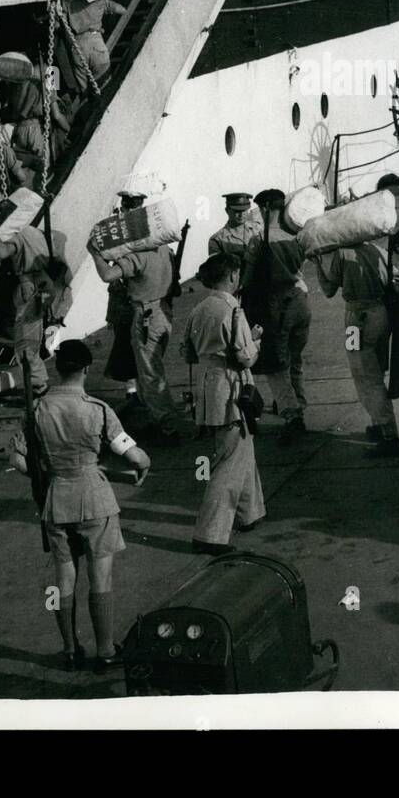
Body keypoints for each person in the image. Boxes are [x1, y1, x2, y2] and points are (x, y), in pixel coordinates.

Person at [9, 339, 149, 672]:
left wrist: (45, 475)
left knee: (63, 579)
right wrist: (144, 464)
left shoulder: (37, 409)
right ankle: (105, 650)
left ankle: (70, 649)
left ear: (58, 368)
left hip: (57, 500)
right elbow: (133, 454)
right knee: (101, 579)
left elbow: (16, 459)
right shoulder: (97, 409)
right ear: (87, 369)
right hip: (96, 500)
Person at [86, 179, 185, 439]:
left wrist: (95, 253)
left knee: (151, 376)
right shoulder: (163, 248)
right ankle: (156, 417)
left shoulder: (136, 255)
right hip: (163, 312)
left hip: (145, 316)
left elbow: (108, 275)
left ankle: (169, 426)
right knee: (149, 371)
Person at [183, 252, 266, 555]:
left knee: (242, 449)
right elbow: (245, 356)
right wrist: (255, 340)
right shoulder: (233, 311)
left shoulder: (198, 309)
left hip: (207, 384)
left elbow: (187, 352)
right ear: (232, 275)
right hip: (231, 387)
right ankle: (210, 534)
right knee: (230, 460)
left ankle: (249, 513)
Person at [314, 240, 399, 458]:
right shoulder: (377, 249)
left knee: (363, 373)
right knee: (376, 369)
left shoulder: (342, 254)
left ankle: (388, 433)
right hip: (380, 313)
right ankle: (378, 423)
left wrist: (317, 262)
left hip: (356, 318)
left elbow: (328, 289)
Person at [239, 189, 311, 446]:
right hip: (301, 302)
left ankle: (292, 417)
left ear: (266, 209)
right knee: (295, 358)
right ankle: (298, 404)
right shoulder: (297, 235)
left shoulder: (259, 239)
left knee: (275, 365)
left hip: (276, 308)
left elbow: (246, 280)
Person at [0, 216, 72, 395]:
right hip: (48, 287)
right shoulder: (34, 232)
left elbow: (2, 253)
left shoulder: (17, 234)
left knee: (25, 341)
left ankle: (38, 386)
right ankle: (43, 374)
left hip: (32, 286)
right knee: (40, 336)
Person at [208, 191, 263, 265]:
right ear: (227, 211)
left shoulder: (258, 229)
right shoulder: (217, 239)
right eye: (236, 211)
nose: (241, 215)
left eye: (244, 210)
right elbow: (218, 269)